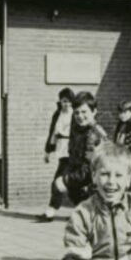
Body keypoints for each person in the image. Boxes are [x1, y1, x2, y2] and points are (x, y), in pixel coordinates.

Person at [55, 91, 107, 260]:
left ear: (94, 112)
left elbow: (88, 169)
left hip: (93, 195)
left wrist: (66, 180)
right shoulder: (78, 130)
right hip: (80, 194)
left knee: (86, 244)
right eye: (77, 113)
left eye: (85, 112)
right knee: (84, 243)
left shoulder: (94, 134)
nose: (80, 116)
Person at [43, 88, 76, 220]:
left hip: (73, 151)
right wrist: (47, 151)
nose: (66, 104)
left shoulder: (75, 114)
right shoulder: (58, 114)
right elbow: (53, 133)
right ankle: (80, 210)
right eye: (63, 101)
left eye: (68, 101)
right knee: (69, 182)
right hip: (61, 150)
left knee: (59, 181)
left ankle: (51, 210)